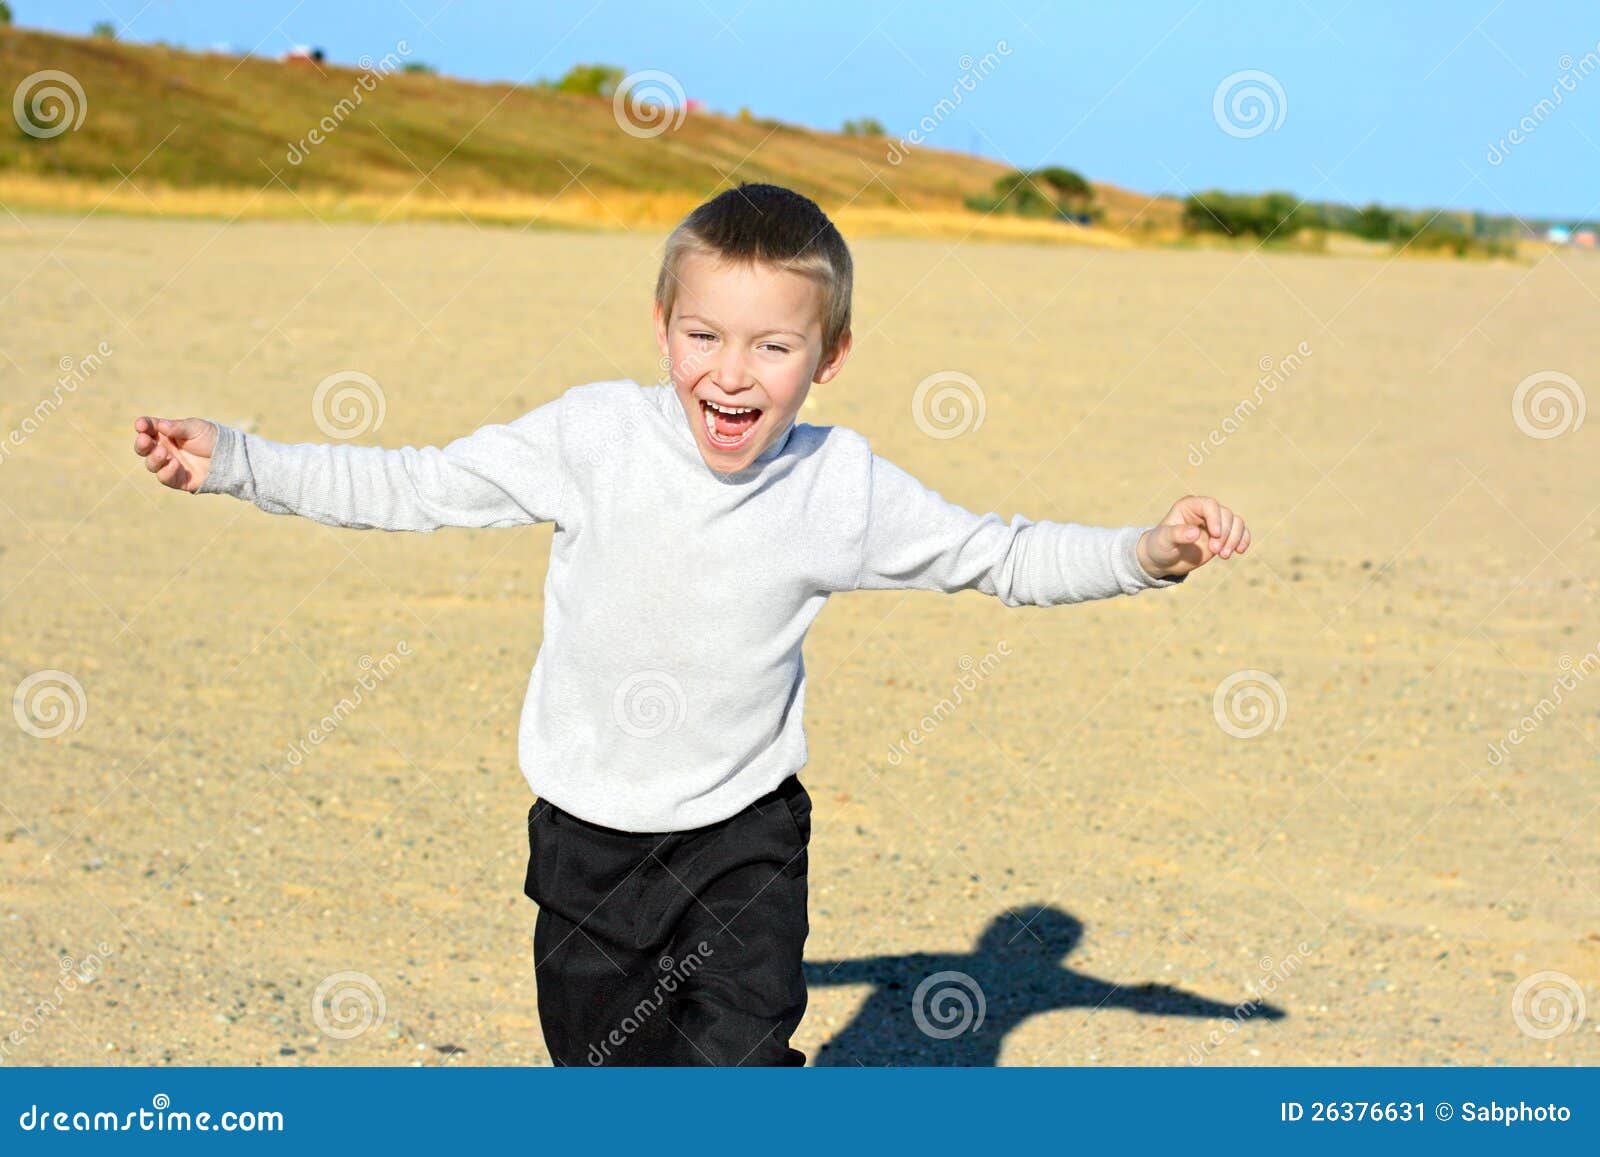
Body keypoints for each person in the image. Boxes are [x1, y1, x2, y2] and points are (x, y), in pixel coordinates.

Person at [130, 182, 1250, 1066]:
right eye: (704, 335)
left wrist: (1145, 552)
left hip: (743, 837)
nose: (731, 372)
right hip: (586, 833)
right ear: (662, 328)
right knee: (606, 1068)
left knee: (738, 1066)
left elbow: (998, 552)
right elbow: (414, 483)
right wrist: (240, 460)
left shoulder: (840, 484)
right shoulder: (592, 437)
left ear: (830, 357)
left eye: (773, 345)